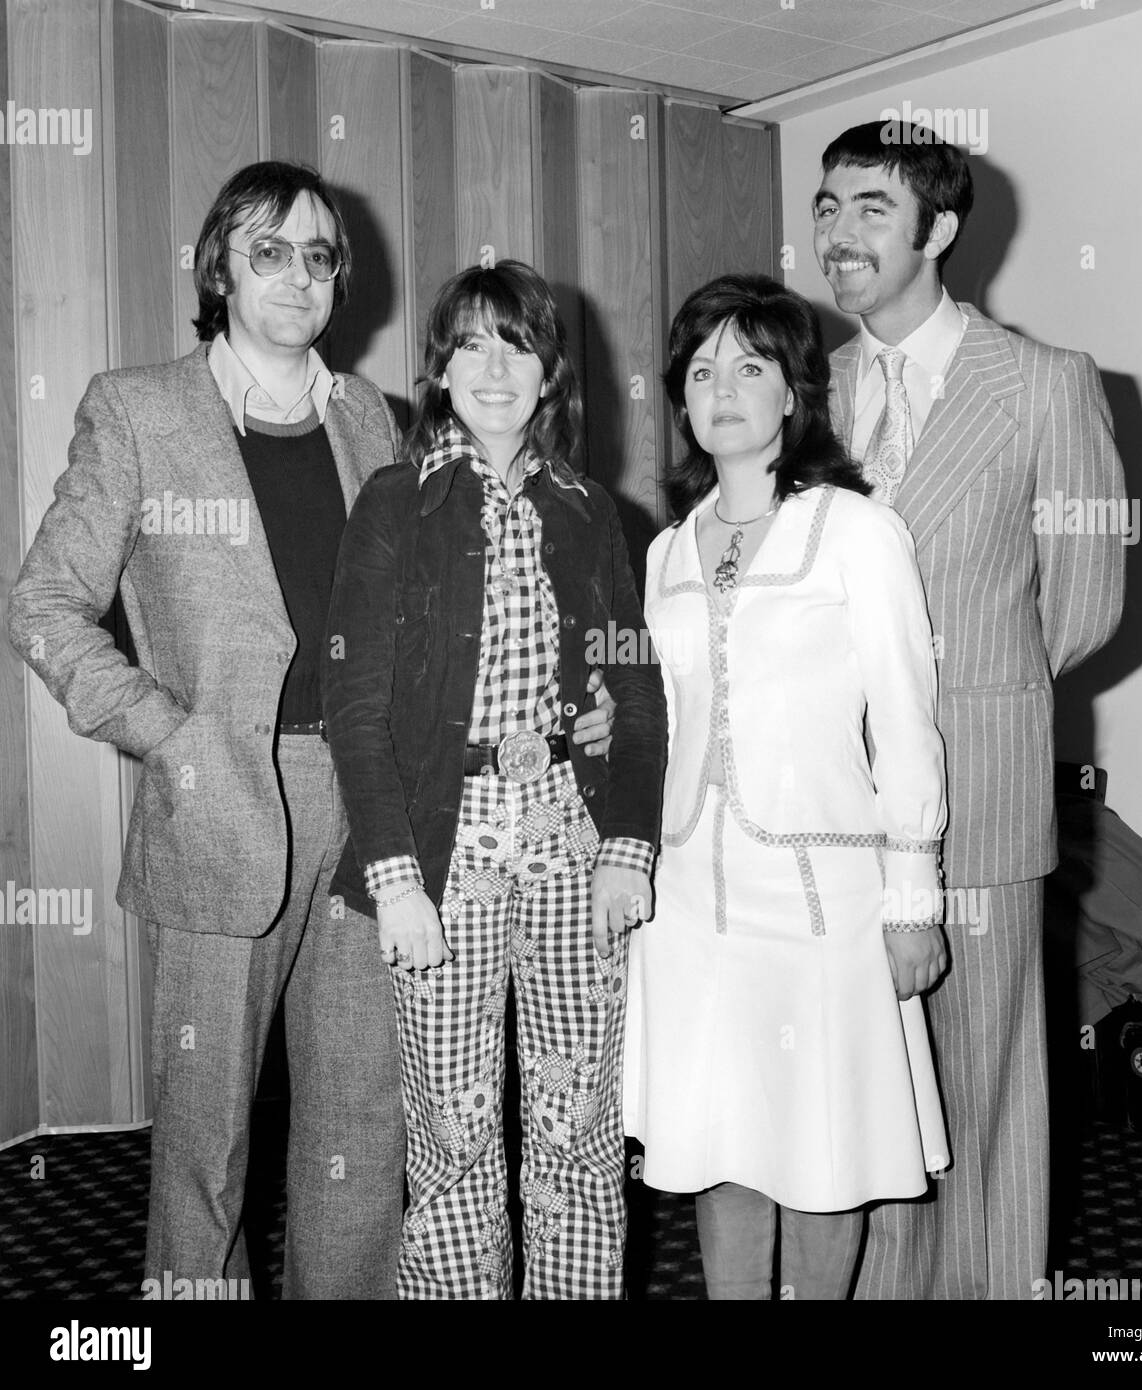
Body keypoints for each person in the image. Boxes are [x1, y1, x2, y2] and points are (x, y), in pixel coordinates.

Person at [8, 161, 406, 1297]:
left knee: (359, 1119)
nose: (297, 275)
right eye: (268, 250)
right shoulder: (137, 408)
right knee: (205, 1141)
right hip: (220, 801)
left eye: (319, 254)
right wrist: (167, 735)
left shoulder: (370, 417)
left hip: (370, 802)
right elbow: (42, 604)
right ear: (217, 267)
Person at [814, 121, 1126, 1299]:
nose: (838, 235)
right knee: (874, 1090)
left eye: (869, 210)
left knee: (982, 1089)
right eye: (826, 206)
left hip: (978, 787)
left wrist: (937, 700)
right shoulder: (812, 388)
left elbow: (1083, 601)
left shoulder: (1043, 383)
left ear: (938, 229)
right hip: (836, 807)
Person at [322, 258, 665, 1301]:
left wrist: (626, 848)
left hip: (570, 838)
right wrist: (392, 879)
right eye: (468, 342)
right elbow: (355, 706)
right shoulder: (394, 503)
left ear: (548, 368)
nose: (492, 365)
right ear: (438, 367)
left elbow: (637, 690)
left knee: (577, 1127)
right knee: (451, 1132)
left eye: (514, 341)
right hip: (442, 850)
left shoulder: (589, 512)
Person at [623, 273, 950, 1301]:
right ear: (679, 398)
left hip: (822, 897)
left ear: (791, 393)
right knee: (718, 1136)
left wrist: (911, 897)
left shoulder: (853, 530)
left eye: (750, 366)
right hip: (690, 901)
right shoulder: (665, 550)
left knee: (820, 1147)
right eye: (701, 369)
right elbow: (666, 716)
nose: (722, 388)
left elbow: (906, 723)